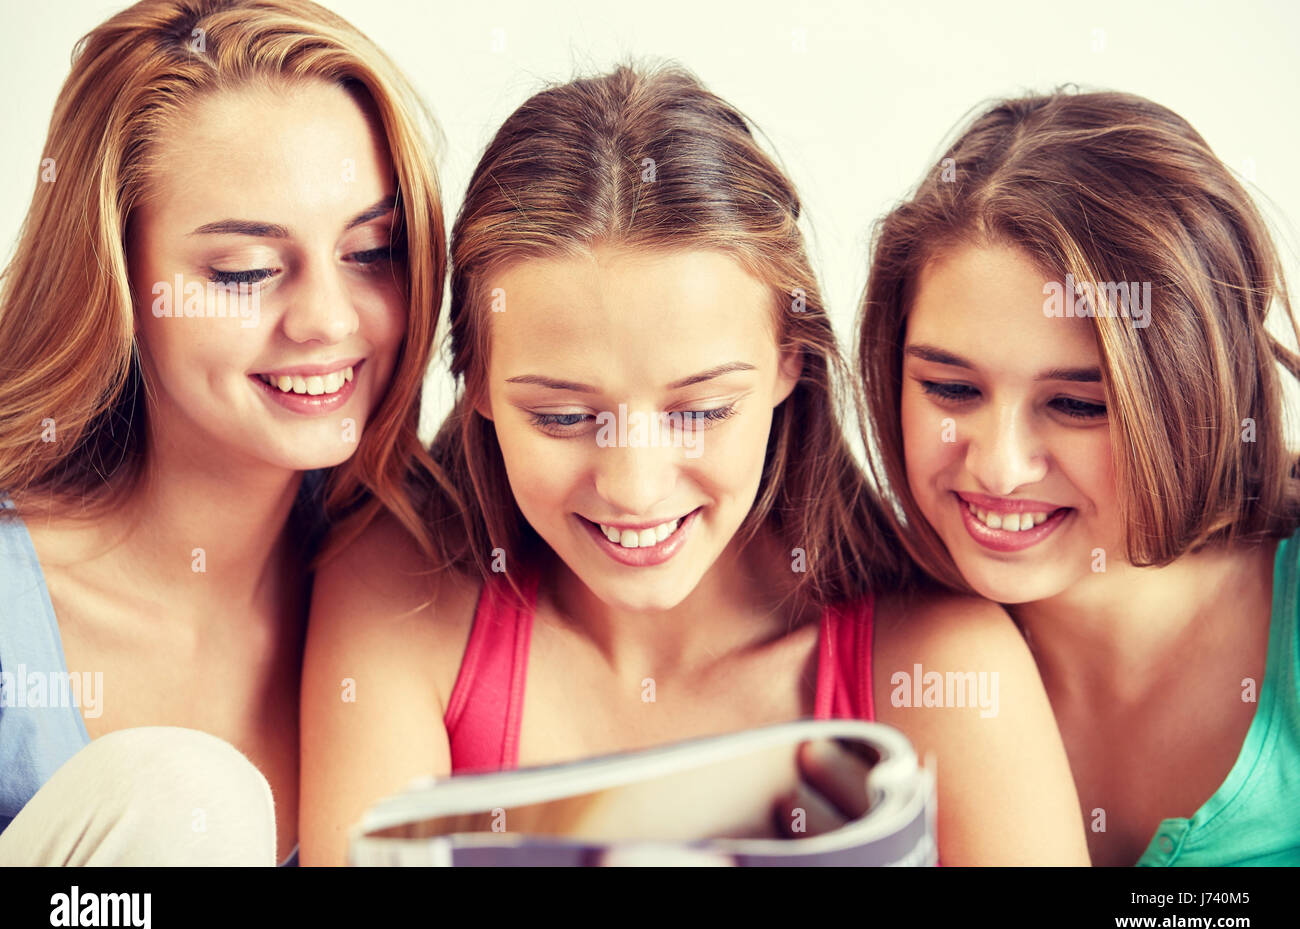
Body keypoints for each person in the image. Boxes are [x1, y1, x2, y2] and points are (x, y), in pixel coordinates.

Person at [301, 63, 1089, 866]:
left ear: (789, 361)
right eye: (564, 417)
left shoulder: (944, 663)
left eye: (701, 412)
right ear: (475, 383)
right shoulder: (394, 591)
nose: (635, 487)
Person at [0, 0, 445, 866]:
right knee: (180, 796)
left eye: (371, 251)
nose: (326, 320)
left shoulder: (419, 571)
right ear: (116, 278)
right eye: (245, 271)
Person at [857, 89, 1300, 865]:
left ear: (1196, 392)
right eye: (952, 390)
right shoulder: (858, 636)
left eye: (1075, 404)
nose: (999, 465)